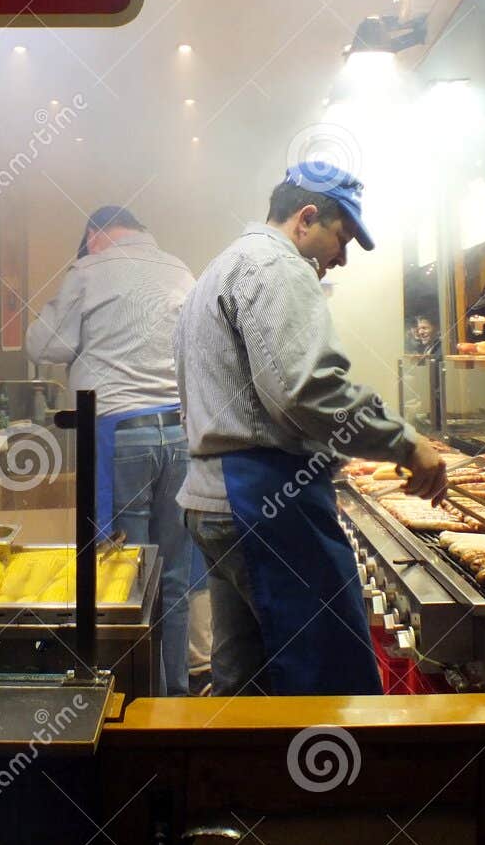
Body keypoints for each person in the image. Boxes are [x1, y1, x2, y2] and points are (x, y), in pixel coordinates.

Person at [175, 162, 449, 696]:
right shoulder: (277, 266)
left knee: (247, 682)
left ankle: (242, 780)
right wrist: (405, 442)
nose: (341, 257)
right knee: (331, 686)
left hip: (214, 502)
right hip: (264, 503)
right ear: (305, 219)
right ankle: (338, 782)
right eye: (341, 238)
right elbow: (306, 391)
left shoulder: (221, 266)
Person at [26, 205, 201, 696]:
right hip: (181, 436)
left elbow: (43, 346)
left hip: (123, 437)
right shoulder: (179, 269)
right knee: (173, 580)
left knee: (127, 580)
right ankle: (176, 701)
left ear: (95, 236)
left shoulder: (88, 269)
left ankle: (137, 701)